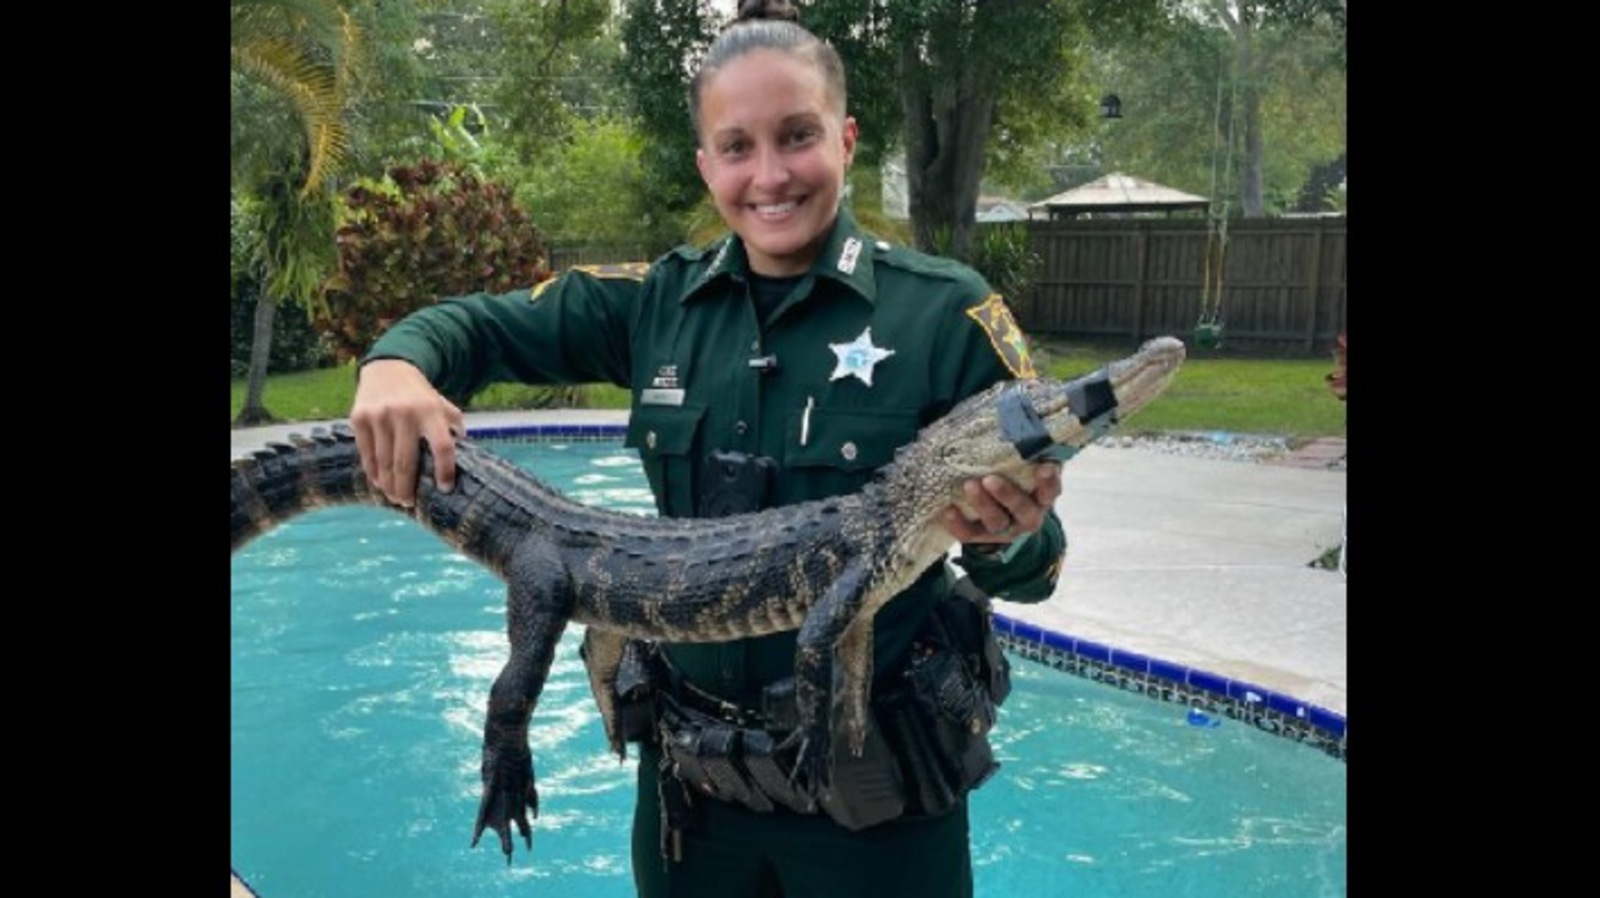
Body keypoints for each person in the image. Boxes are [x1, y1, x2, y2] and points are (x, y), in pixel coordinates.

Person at [348, 1, 1067, 895]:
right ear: (706, 164)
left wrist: (1007, 536)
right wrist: (393, 367)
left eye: (797, 135)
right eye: (737, 146)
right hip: (691, 801)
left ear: (845, 138)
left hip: (876, 803)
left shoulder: (946, 315)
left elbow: (1036, 567)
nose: (770, 174)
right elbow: (475, 328)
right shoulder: (657, 303)